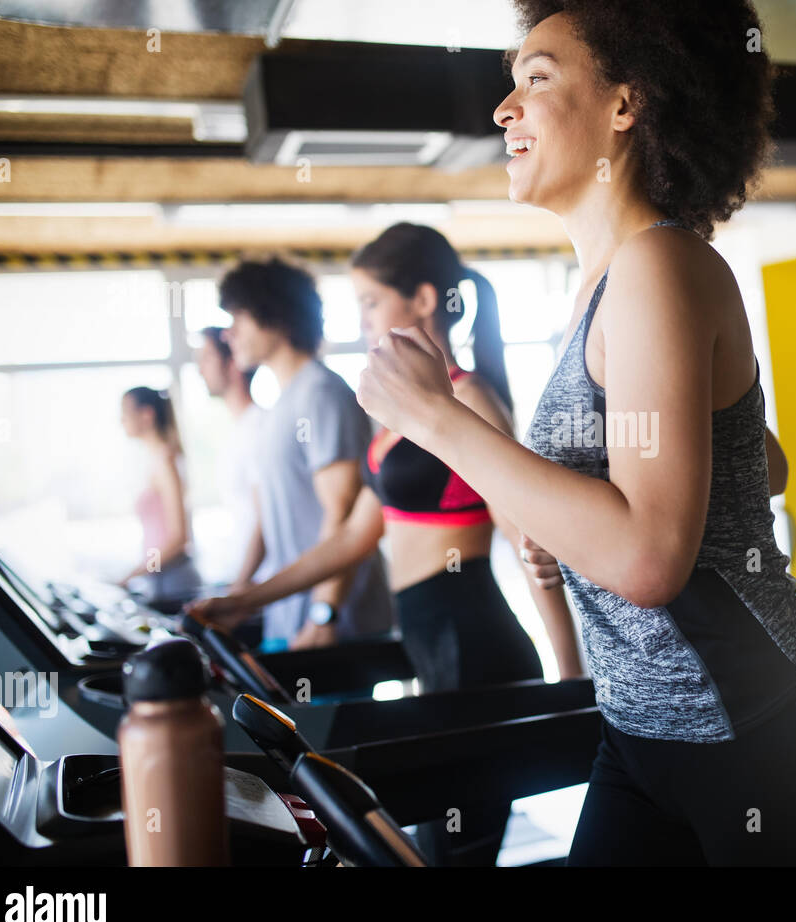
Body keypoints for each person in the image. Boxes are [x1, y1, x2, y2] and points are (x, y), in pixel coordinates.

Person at [353, 0, 796, 865]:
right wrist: (577, 525)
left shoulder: (657, 263)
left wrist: (436, 419)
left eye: (536, 79)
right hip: (646, 732)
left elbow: (649, 560)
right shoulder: (605, 288)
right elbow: (761, 462)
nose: (504, 110)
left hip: (771, 742)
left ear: (625, 104)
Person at [190, 225, 584, 866]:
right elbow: (352, 537)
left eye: (372, 301)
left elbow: (525, 533)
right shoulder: (406, 412)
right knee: (425, 849)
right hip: (434, 644)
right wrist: (240, 601)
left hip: (476, 644)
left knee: (449, 854)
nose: (363, 318)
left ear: (424, 300)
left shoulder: (467, 396)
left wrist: (571, 675)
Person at [209, 256, 395, 650]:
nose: (229, 335)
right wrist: (240, 596)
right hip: (288, 617)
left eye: (238, 319)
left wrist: (322, 613)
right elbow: (268, 514)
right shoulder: (281, 403)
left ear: (273, 316)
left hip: (334, 626)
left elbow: (341, 514)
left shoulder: (321, 393)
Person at [195, 326, 268, 588]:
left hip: (260, 584)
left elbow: (265, 518)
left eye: (207, 358)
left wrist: (240, 586)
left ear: (233, 361)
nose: (199, 369)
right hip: (249, 582)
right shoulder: (238, 430)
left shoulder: (259, 427)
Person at [117, 387, 202, 604]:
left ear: (146, 414)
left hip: (174, 582)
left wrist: (135, 573)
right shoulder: (154, 459)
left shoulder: (165, 460)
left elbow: (179, 537)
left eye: (125, 412)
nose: (121, 420)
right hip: (161, 579)